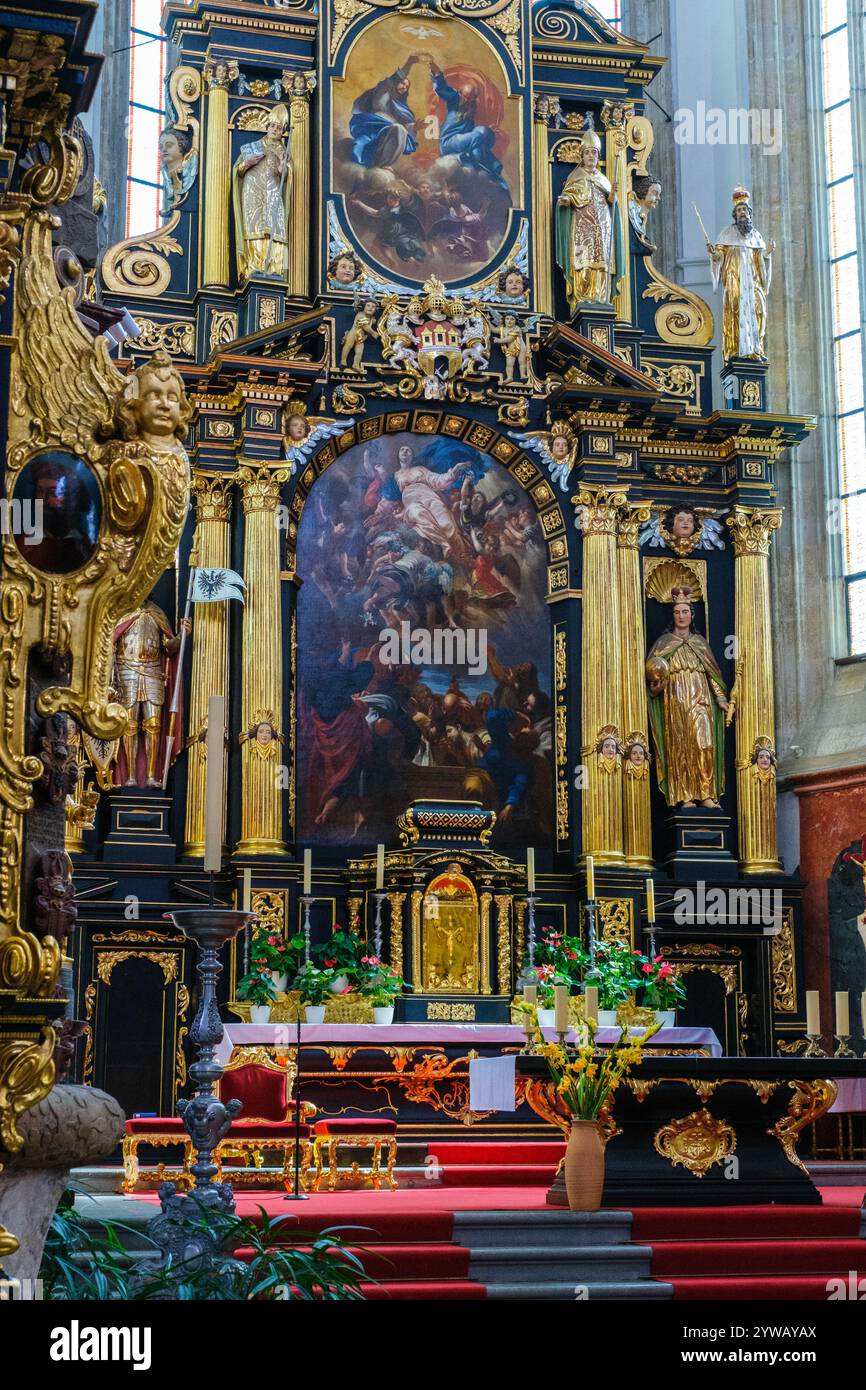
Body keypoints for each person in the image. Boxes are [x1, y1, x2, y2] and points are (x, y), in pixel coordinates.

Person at [646, 595, 730, 809]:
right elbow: (653, 675)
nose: (681, 616)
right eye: (677, 612)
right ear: (672, 616)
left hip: (701, 700)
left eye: (685, 612)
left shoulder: (700, 643)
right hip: (676, 702)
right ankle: (685, 796)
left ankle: (706, 794)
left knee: (704, 744)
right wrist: (656, 688)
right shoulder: (663, 644)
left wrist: (720, 697)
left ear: (692, 615)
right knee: (680, 747)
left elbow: (712, 672)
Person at [555, 118, 623, 311]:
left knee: (602, 265)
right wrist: (567, 201)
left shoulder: (603, 179)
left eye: (594, 152)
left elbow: (612, 204)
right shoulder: (575, 176)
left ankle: (601, 298)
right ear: (582, 157)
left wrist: (613, 194)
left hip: (603, 226)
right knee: (584, 263)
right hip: (582, 228)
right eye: (587, 153)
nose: (591, 156)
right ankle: (583, 297)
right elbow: (569, 195)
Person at [707, 186, 774, 360]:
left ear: (749, 212)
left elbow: (761, 257)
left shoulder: (756, 236)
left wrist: (767, 253)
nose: (742, 212)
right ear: (735, 215)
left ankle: (756, 348)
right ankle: (735, 350)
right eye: (739, 210)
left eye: (744, 209)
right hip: (734, 279)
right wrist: (714, 254)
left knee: (759, 310)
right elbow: (719, 255)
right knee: (735, 309)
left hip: (753, 281)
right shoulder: (726, 234)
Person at [429, 60, 510, 195]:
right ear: (460, 93)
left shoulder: (471, 108)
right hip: (449, 142)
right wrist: (437, 74)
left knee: (479, 150)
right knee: (483, 132)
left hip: (461, 146)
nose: (467, 100)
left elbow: (471, 136)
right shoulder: (454, 99)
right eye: (465, 97)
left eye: (470, 98)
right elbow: (441, 89)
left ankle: (494, 175)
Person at [232, 105, 291, 278]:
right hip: (253, 193)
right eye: (273, 126)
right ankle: (253, 268)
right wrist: (247, 163)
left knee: (275, 229)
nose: (275, 130)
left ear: (283, 132)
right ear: (267, 127)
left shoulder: (284, 152)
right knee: (254, 227)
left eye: (279, 128)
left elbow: (287, 178)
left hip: (274, 193)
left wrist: (283, 167)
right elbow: (239, 171)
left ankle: (274, 270)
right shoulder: (253, 146)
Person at [349, 55, 427, 169]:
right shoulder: (383, 92)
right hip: (372, 129)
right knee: (359, 147)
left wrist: (414, 128)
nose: (405, 87)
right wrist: (409, 63)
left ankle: (383, 163)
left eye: (407, 86)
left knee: (400, 130)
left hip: (388, 134)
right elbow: (393, 79)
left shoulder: (401, 108)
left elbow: (405, 126)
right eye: (402, 83)